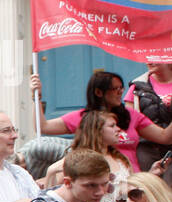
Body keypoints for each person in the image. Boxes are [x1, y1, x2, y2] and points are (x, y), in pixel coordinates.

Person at [31, 70, 172, 170]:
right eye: (115, 88)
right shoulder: (84, 117)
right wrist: (36, 98)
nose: (120, 92)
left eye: (121, 88)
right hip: (98, 182)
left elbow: (164, 136)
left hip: (130, 181)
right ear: (99, 92)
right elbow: (43, 127)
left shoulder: (131, 115)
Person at [125, 57, 172, 175]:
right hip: (146, 148)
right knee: (148, 186)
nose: (149, 61)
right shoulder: (137, 86)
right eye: (147, 57)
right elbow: (128, 120)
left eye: (155, 57)